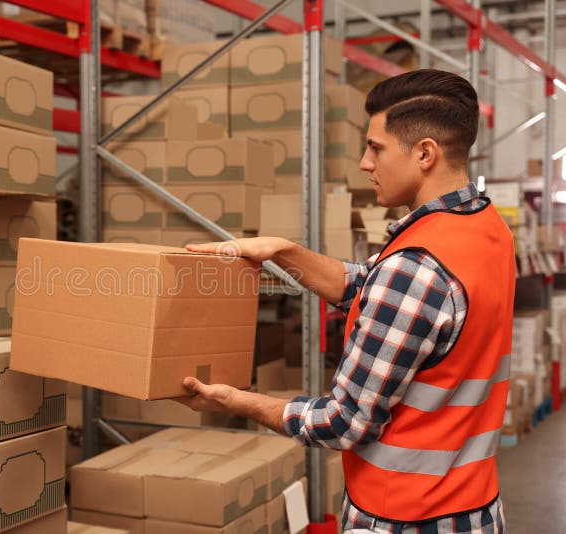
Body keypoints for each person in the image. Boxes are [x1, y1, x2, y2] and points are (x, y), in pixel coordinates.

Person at [178, 69, 515, 534]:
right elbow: (378, 289)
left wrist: (239, 402)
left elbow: (346, 422)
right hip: (474, 508)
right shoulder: (484, 227)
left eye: (375, 148)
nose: (363, 162)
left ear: (424, 154)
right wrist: (283, 251)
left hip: (405, 517)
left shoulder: (416, 267)